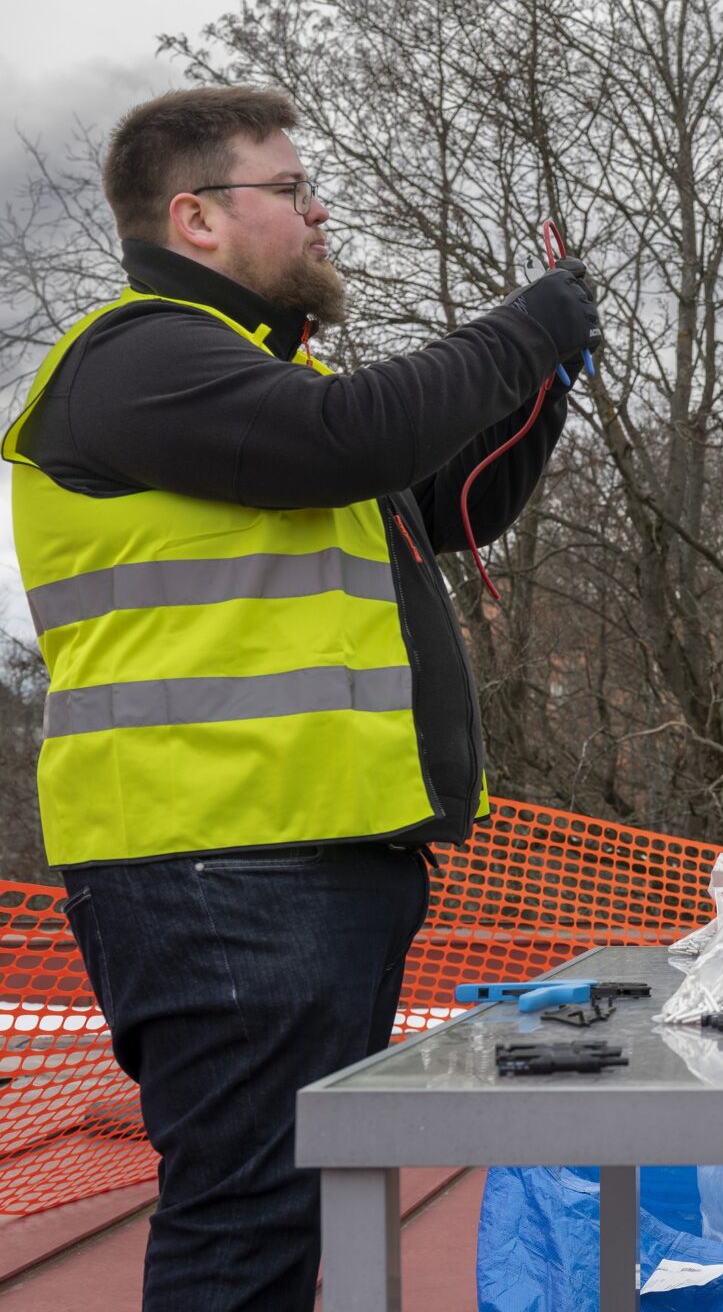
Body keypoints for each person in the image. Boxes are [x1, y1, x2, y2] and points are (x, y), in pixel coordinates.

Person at [4, 85, 601, 1311]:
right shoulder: (141, 355)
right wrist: (525, 329)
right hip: (218, 866)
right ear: (197, 218)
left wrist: (543, 393)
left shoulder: (254, 391)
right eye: (289, 189)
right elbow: (353, 438)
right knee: (246, 1216)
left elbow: (446, 506)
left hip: (294, 860)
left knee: (283, 1209)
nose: (318, 211)